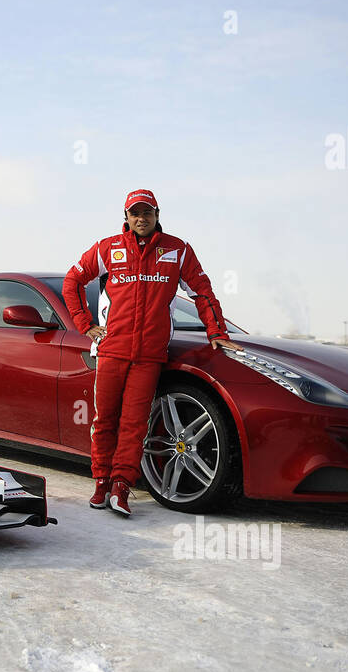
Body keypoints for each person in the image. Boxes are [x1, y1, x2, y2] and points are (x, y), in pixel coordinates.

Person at [62, 188, 243, 516]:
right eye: (135, 213)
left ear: (157, 215)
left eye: (147, 213)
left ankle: (121, 487)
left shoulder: (179, 251)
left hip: (149, 355)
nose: (141, 218)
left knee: (134, 423)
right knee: (105, 420)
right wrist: (85, 325)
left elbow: (202, 292)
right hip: (112, 350)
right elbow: (72, 282)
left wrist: (217, 332)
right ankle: (101, 482)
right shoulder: (109, 248)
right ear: (126, 218)